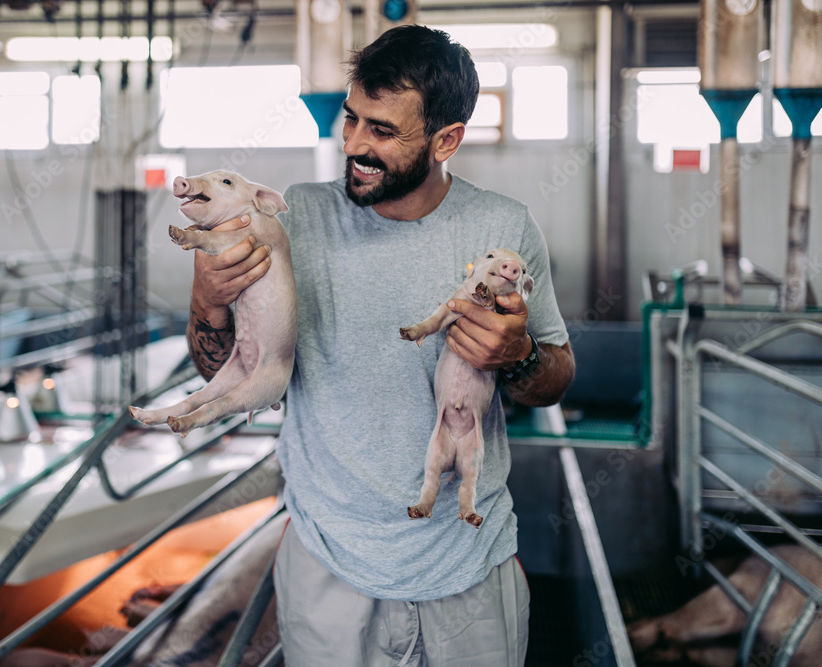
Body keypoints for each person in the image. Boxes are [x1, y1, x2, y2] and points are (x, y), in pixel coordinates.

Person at [185, 25, 574, 667]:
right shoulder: (294, 223)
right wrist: (208, 302)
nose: (356, 145)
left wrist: (519, 355)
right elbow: (223, 368)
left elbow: (557, 376)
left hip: (468, 568)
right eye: (352, 119)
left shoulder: (503, 227)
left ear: (447, 139)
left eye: (383, 131)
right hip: (329, 570)